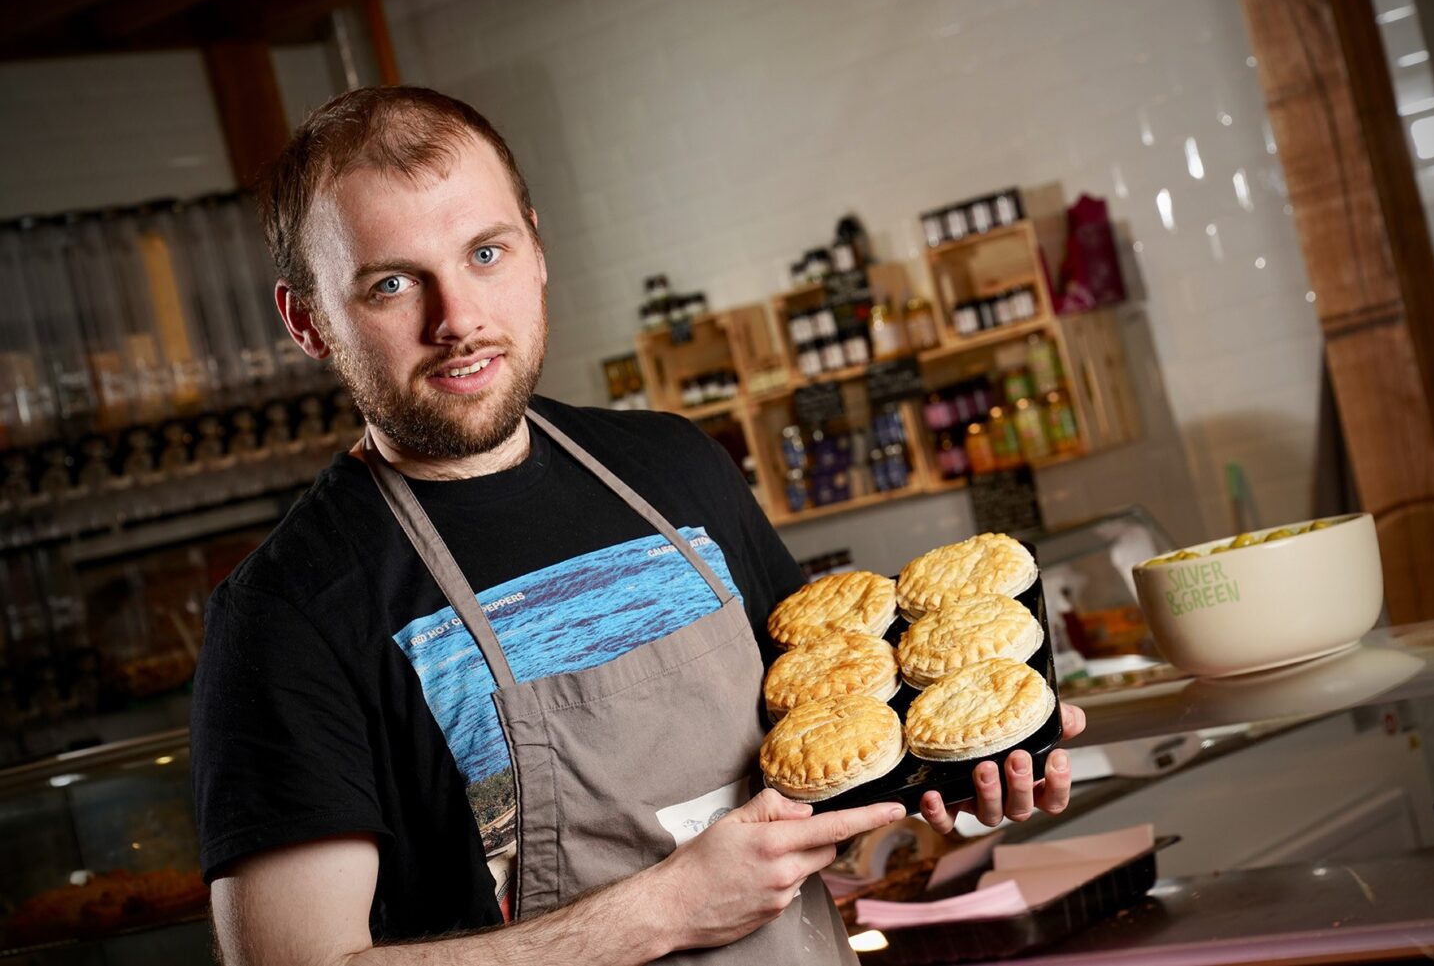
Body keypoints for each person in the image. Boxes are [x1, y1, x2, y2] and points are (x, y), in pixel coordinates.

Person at [191, 85, 1086, 966]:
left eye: (485, 254)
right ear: (308, 321)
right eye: (392, 283)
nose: (457, 319)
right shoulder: (285, 612)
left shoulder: (674, 466)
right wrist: (663, 911)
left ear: (537, 247)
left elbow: (823, 738)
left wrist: (949, 774)